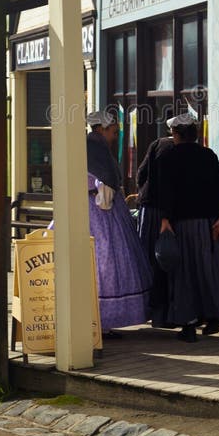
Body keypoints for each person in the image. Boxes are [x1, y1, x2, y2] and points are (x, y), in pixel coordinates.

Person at [156, 113, 219, 342]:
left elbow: (166, 193)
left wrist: (164, 220)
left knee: (184, 274)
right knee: (213, 271)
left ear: (176, 134)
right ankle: (217, 314)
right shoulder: (208, 156)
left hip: (183, 226)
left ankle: (189, 325)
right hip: (211, 225)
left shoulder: (168, 158)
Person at [86, 110, 152, 335]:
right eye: (113, 131)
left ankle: (102, 320)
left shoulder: (95, 145)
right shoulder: (94, 146)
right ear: (101, 129)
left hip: (103, 207)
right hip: (98, 209)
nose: (115, 136)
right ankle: (101, 318)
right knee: (104, 260)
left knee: (106, 261)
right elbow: (98, 179)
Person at [136, 134, 174, 327]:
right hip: (165, 216)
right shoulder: (175, 149)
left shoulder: (156, 144)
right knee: (165, 264)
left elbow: (140, 175)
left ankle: (149, 311)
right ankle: (164, 315)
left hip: (147, 211)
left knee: (149, 261)